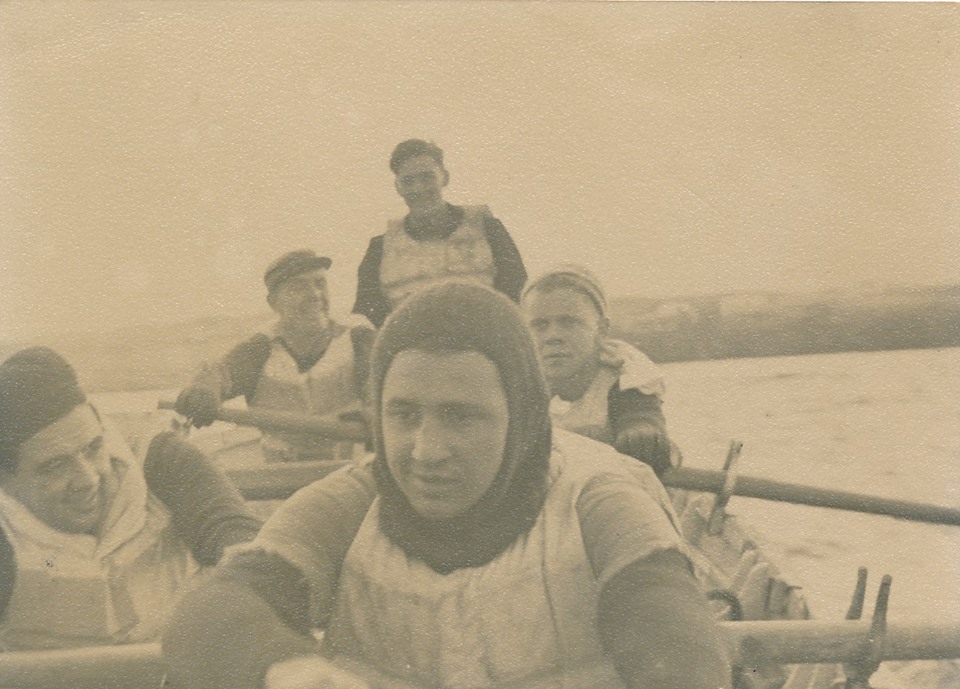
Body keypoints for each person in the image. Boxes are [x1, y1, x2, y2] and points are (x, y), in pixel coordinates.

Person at [163, 282, 730, 689]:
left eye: (462, 417)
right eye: (404, 414)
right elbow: (212, 608)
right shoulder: (351, 500)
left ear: (524, 418)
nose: (425, 452)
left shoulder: (600, 496)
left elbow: (671, 632)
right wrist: (288, 669)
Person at [0, 347, 260, 650]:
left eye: (93, 447)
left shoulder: (162, 458)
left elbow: (240, 538)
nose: (89, 478)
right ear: (7, 482)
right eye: (55, 466)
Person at [175, 249, 374, 462]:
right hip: (280, 471)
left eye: (320, 283)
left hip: (351, 467)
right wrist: (203, 391)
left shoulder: (359, 337)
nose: (315, 295)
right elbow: (219, 373)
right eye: (298, 287)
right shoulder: (260, 347)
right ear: (273, 303)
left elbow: (382, 385)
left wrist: (376, 411)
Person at [352, 138, 527, 327]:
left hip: (482, 346)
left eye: (427, 177)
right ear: (398, 187)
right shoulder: (380, 248)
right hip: (411, 350)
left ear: (444, 177)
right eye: (408, 181)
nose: (418, 189)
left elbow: (518, 297)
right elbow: (367, 319)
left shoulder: (487, 229)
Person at [522, 264, 677, 477]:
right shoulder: (519, 386)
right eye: (539, 325)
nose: (552, 336)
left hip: (617, 488)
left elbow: (640, 414)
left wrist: (641, 431)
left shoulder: (621, 377)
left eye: (569, 323)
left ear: (601, 329)